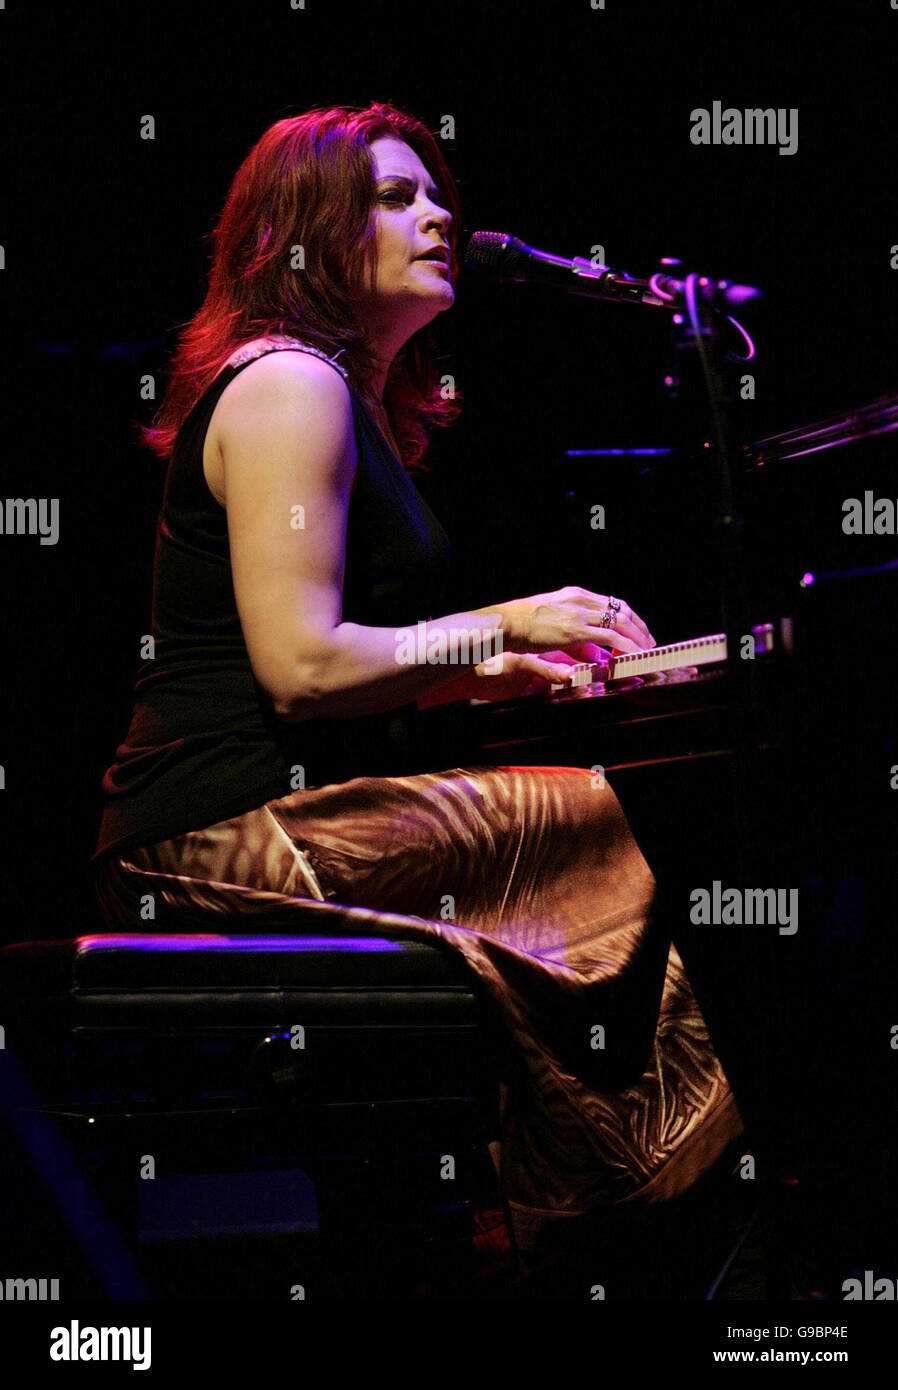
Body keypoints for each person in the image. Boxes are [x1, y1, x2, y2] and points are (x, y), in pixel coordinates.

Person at [92, 102, 741, 1260]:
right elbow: (299, 671)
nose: (438, 214)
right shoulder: (290, 384)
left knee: (580, 791)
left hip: (283, 810)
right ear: (307, 235)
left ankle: (591, 1205)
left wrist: (504, 674)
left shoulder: (349, 402)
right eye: (394, 198)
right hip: (217, 837)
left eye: (434, 193)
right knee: (607, 811)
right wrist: (495, 622)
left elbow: (352, 674)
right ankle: (641, 1199)